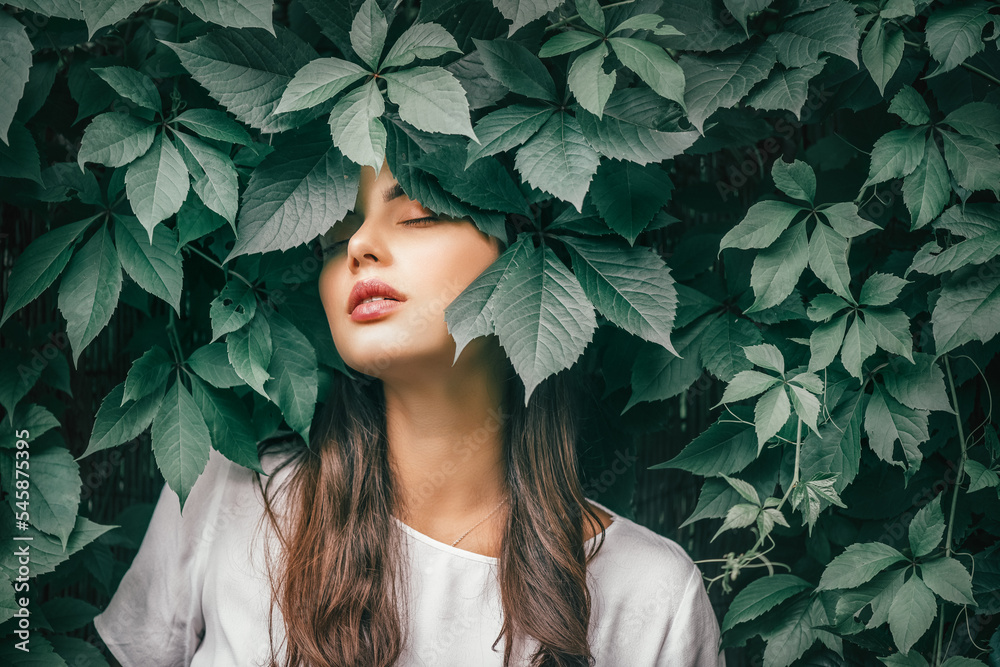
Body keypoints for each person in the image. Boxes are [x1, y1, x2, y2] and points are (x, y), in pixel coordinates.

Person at [93, 158, 726, 666]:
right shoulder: (237, 484)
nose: (360, 245)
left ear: (531, 249)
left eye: (418, 214)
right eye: (336, 236)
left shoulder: (649, 594)